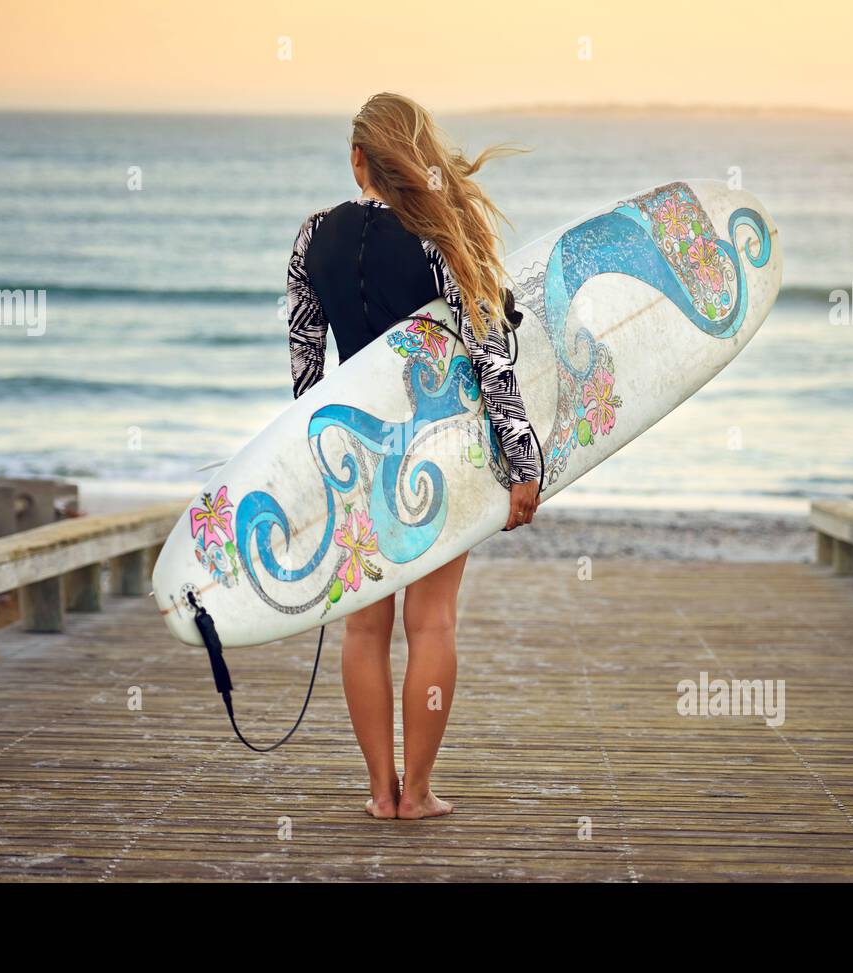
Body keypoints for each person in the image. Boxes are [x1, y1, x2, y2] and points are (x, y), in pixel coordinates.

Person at [286, 92, 541, 819]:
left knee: (364, 625)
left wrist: (310, 472)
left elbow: (306, 376)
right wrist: (522, 461)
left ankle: (378, 790)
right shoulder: (441, 232)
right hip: (442, 451)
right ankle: (418, 792)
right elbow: (493, 358)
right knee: (433, 622)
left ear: (358, 159)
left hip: (355, 454)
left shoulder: (312, 239)